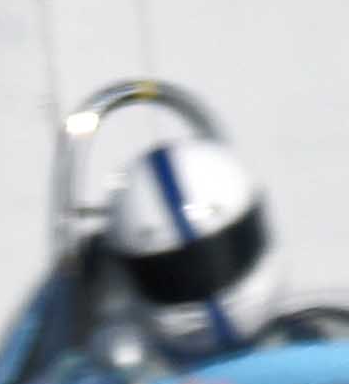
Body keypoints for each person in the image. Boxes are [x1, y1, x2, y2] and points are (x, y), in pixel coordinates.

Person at [103, 138, 283, 364]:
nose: (209, 296)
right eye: (171, 275)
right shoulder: (125, 369)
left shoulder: (318, 333)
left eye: (218, 257)